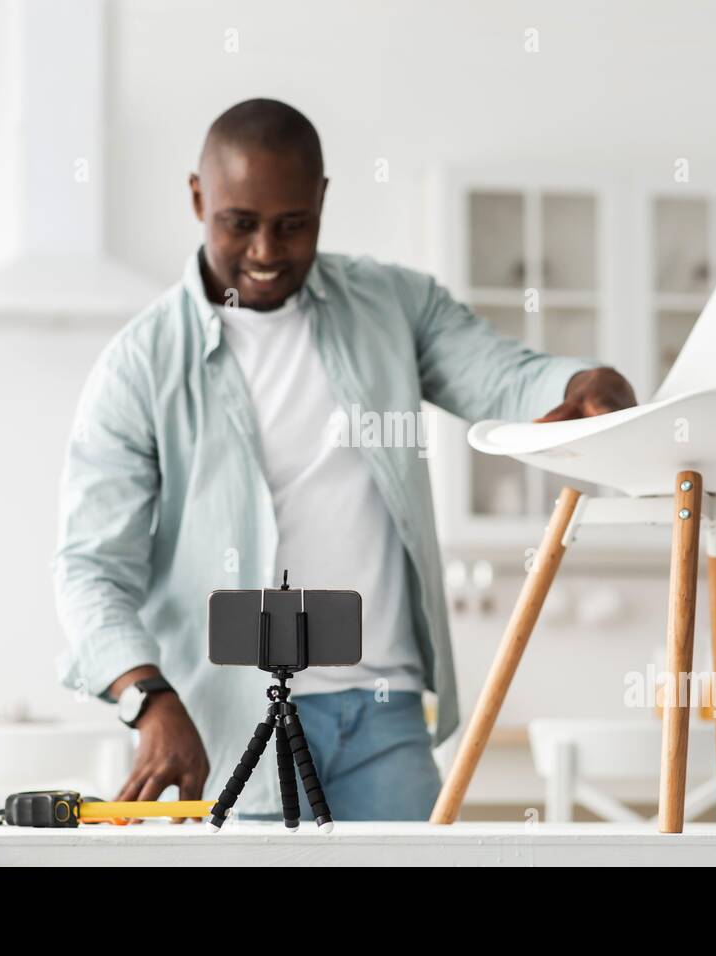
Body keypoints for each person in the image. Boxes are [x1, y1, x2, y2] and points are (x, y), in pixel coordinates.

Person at [53, 98, 635, 821]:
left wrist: (575, 384)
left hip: (384, 718)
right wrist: (148, 697)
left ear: (322, 200)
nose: (266, 251)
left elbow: (501, 377)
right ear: (198, 198)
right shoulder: (138, 366)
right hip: (228, 728)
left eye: (292, 224)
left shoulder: (392, 304)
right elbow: (90, 565)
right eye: (241, 223)